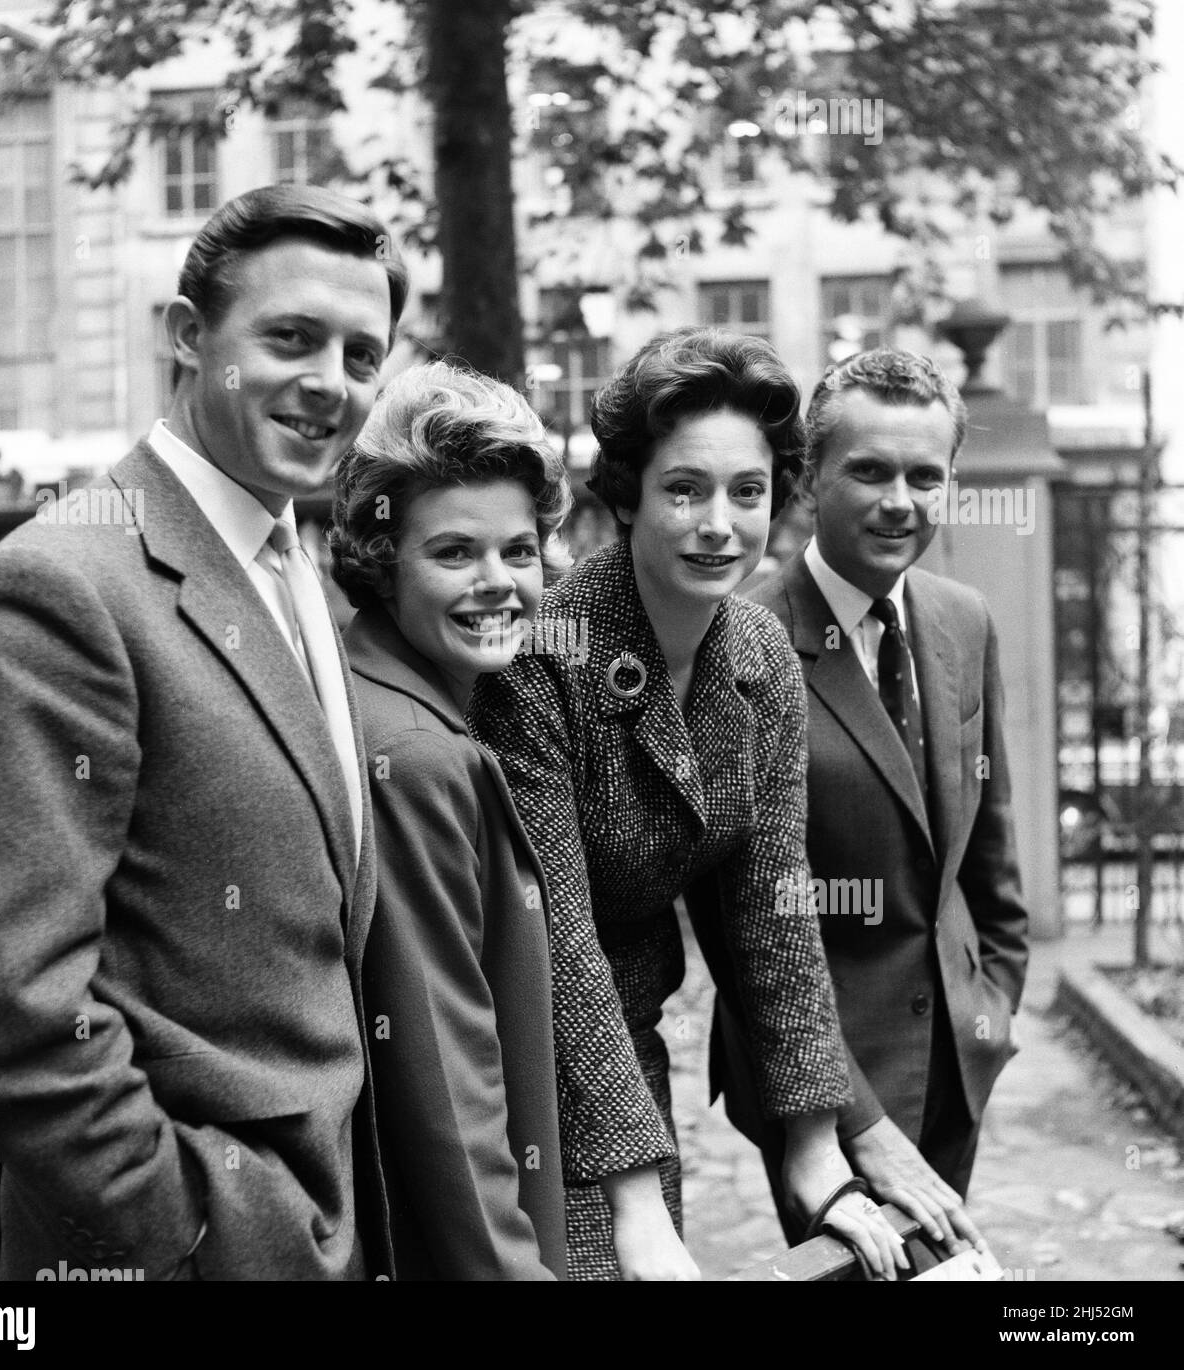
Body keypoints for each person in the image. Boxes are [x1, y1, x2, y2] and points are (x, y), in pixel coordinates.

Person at [0, 184, 407, 1281]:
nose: (330, 381)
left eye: (362, 355)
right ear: (187, 338)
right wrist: (200, 1226)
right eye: (290, 337)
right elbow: (0, 1003)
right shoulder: (62, 584)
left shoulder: (305, 585)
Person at [470, 327, 909, 1281]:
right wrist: (634, 1195)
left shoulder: (757, 655)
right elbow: (557, 938)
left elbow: (773, 908)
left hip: (629, 1054)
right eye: (685, 489)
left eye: (748, 492)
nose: (721, 523)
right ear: (625, 495)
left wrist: (814, 1143)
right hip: (502, 1068)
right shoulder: (543, 654)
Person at [724, 347, 1028, 1256]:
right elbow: (743, 917)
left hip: (958, 1060)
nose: (901, 499)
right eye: (870, 470)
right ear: (810, 477)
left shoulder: (962, 618)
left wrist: (995, 1010)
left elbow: (989, 853)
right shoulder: (743, 637)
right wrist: (843, 1113)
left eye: (925, 475)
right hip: (821, 1089)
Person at [331, 361, 571, 1280]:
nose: (497, 583)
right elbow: (441, 1069)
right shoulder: (414, 756)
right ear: (383, 560)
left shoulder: (401, 705)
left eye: (519, 551)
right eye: (453, 553)